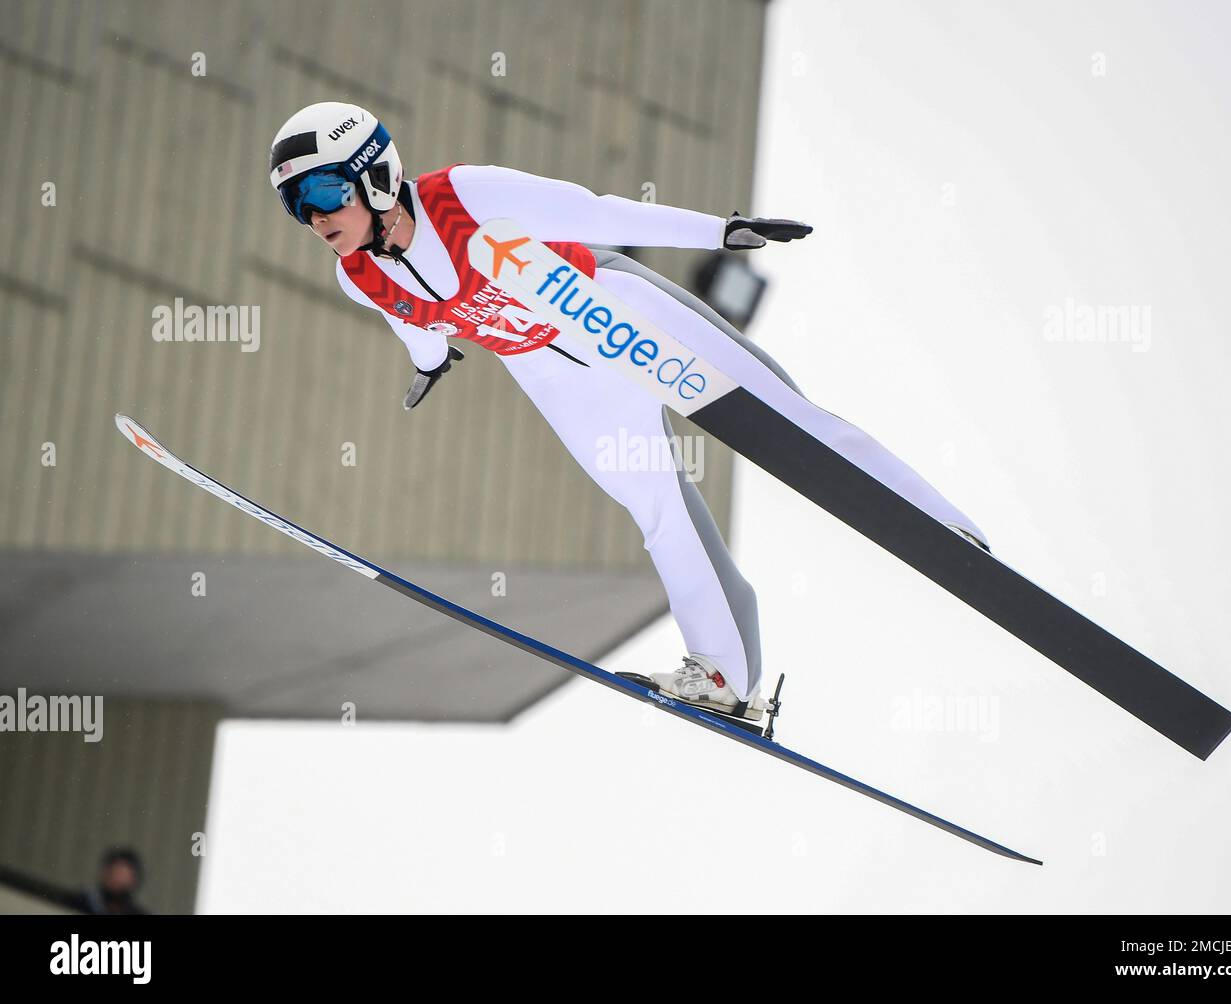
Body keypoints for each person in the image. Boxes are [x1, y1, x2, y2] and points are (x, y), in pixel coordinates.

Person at [268, 102, 986, 722]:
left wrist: (718, 231)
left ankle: (932, 519)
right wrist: (429, 367)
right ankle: (726, 677)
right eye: (297, 206)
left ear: (377, 174)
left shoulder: (463, 196)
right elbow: (413, 321)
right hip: (552, 369)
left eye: (325, 191)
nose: (316, 216)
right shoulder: (356, 274)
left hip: (608, 305)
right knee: (657, 509)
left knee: (781, 414)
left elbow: (595, 210)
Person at [67, 847, 148, 915]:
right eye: (115, 873)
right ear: (105, 874)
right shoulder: (80, 903)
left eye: (123, 876)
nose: (118, 881)